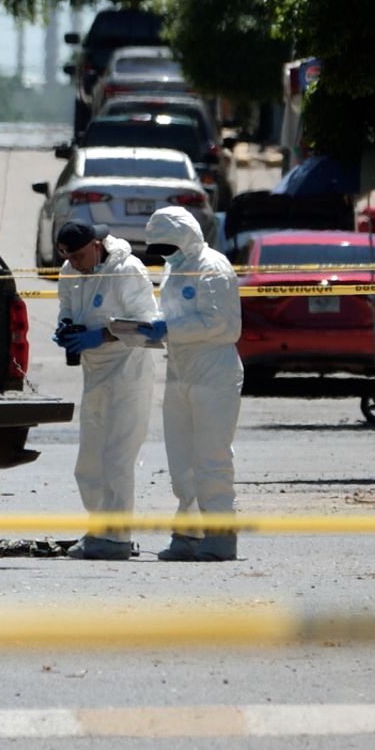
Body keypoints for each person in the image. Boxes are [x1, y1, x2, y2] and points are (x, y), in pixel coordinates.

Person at [136, 206, 245, 562]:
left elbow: (224, 325)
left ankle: (220, 536)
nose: (164, 254)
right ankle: (188, 533)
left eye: (168, 245)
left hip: (214, 371)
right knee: (181, 460)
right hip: (181, 370)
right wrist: (148, 324)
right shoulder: (174, 268)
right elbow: (172, 315)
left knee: (211, 457)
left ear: (185, 237)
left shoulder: (213, 267)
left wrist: (171, 329)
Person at [51, 221, 157, 560]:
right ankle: (99, 529)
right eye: (70, 257)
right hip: (94, 372)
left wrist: (103, 335)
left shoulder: (127, 269)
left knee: (117, 457)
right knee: (90, 461)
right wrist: (66, 328)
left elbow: (147, 324)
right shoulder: (70, 270)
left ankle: (117, 537)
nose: (77, 263)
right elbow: (67, 308)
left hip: (128, 370)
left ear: (97, 245)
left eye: (81, 255)